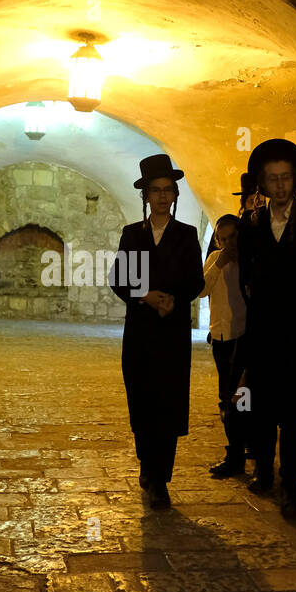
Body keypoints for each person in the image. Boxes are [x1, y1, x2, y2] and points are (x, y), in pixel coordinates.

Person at [237, 138, 296, 517]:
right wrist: (273, 280)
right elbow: (246, 272)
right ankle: (264, 470)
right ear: (263, 182)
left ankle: (291, 482)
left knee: (294, 407)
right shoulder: (253, 223)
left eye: (285, 178)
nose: (279, 185)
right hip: (261, 324)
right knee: (260, 402)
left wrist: (273, 278)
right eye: (272, 179)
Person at [108, 154, 205, 509]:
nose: (163, 196)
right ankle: (146, 465)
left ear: (175, 195)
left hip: (173, 331)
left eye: (168, 190)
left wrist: (174, 300)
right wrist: (145, 296)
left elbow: (196, 279)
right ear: (146, 196)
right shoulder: (133, 234)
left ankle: (161, 477)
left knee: (168, 401)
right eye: (156, 190)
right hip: (141, 331)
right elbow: (119, 279)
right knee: (143, 400)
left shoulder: (187, 235)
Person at [202, 214, 247, 478]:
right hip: (219, 336)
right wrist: (219, 262)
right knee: (226, 397)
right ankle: (237, 449)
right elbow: (201, 290)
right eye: (222, 238)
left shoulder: (248, 262)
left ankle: (238, 452)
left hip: (242, 336)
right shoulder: (214, 260)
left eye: (232, 237)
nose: (228, 243)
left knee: (240, 399)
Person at [206, 172, 265, 256]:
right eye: (251, 201)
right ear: (243, 203)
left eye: (260, 203)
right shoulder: (229, 225)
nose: (255, 207)